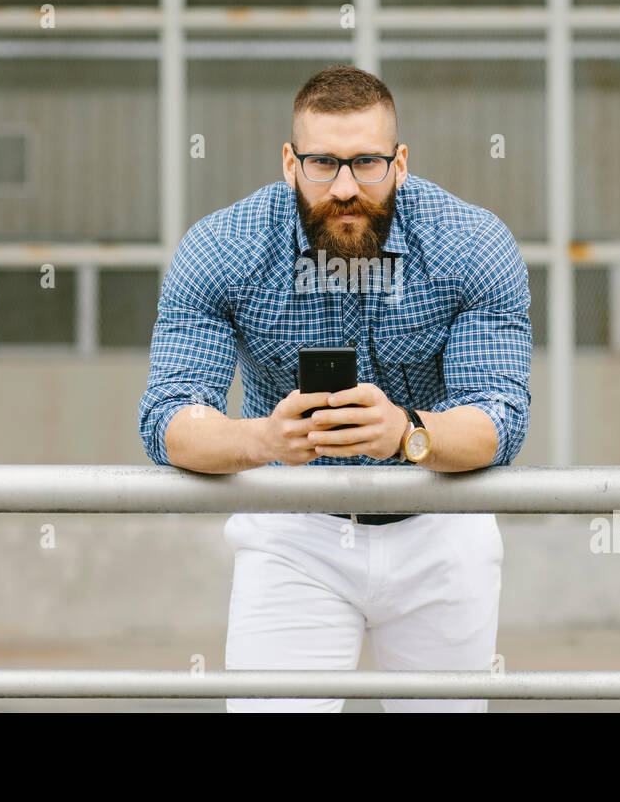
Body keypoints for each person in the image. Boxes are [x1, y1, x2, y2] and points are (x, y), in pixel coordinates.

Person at [138, 64, 532, 712]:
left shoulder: (471, 244)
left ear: (399, 162)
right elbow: (168, 418)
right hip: (295, 527)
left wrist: (407, 432)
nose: (346, 187)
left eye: (366, 163)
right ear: (289, 163)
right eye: (323, 163)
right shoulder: (222, 248)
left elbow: (500, 419)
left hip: (438, 518)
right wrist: (264, 437)